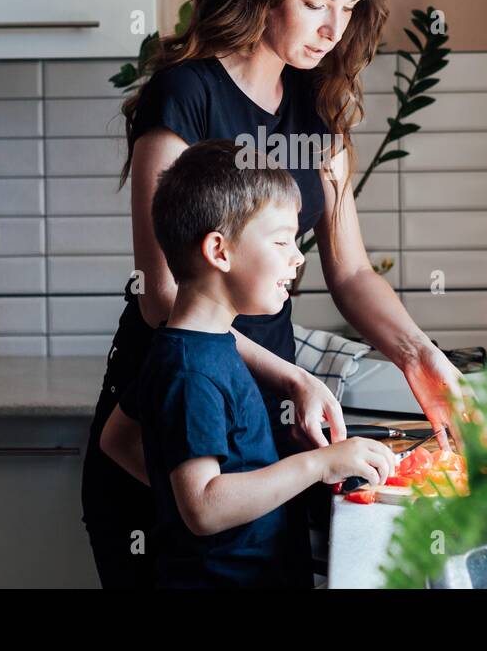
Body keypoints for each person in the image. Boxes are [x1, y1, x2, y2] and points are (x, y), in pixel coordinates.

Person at [81, 0, 465, 588]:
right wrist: (292, 374)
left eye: (348, 11)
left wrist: (423, 360)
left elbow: (350, 275)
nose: (334, 29)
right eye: (318, 3)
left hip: (262, 434)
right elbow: (161, 297)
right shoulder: (185, 96)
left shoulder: (320, 114)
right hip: (165, 421)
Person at [99, 140, 397, 588]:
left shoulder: (194, 346)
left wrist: (178, 497)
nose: (297, 256)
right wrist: (320, 465)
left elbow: (116, 438)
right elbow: (202, 508)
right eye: (281, 241)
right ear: (219, 251)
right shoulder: (191, 369)